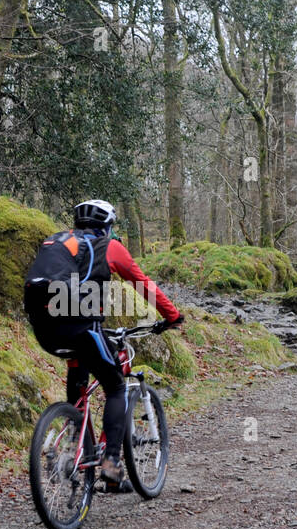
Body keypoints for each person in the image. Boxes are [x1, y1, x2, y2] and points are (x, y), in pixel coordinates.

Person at [24, 199, 183, 484]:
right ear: (107, 226)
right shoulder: (108, 246)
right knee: (116, 386)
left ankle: (75, 442)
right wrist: (172, 316)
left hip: (44, 328)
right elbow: (142, 283)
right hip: (80, 325)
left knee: (79, 367)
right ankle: (111, 463)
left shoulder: (58, 241)